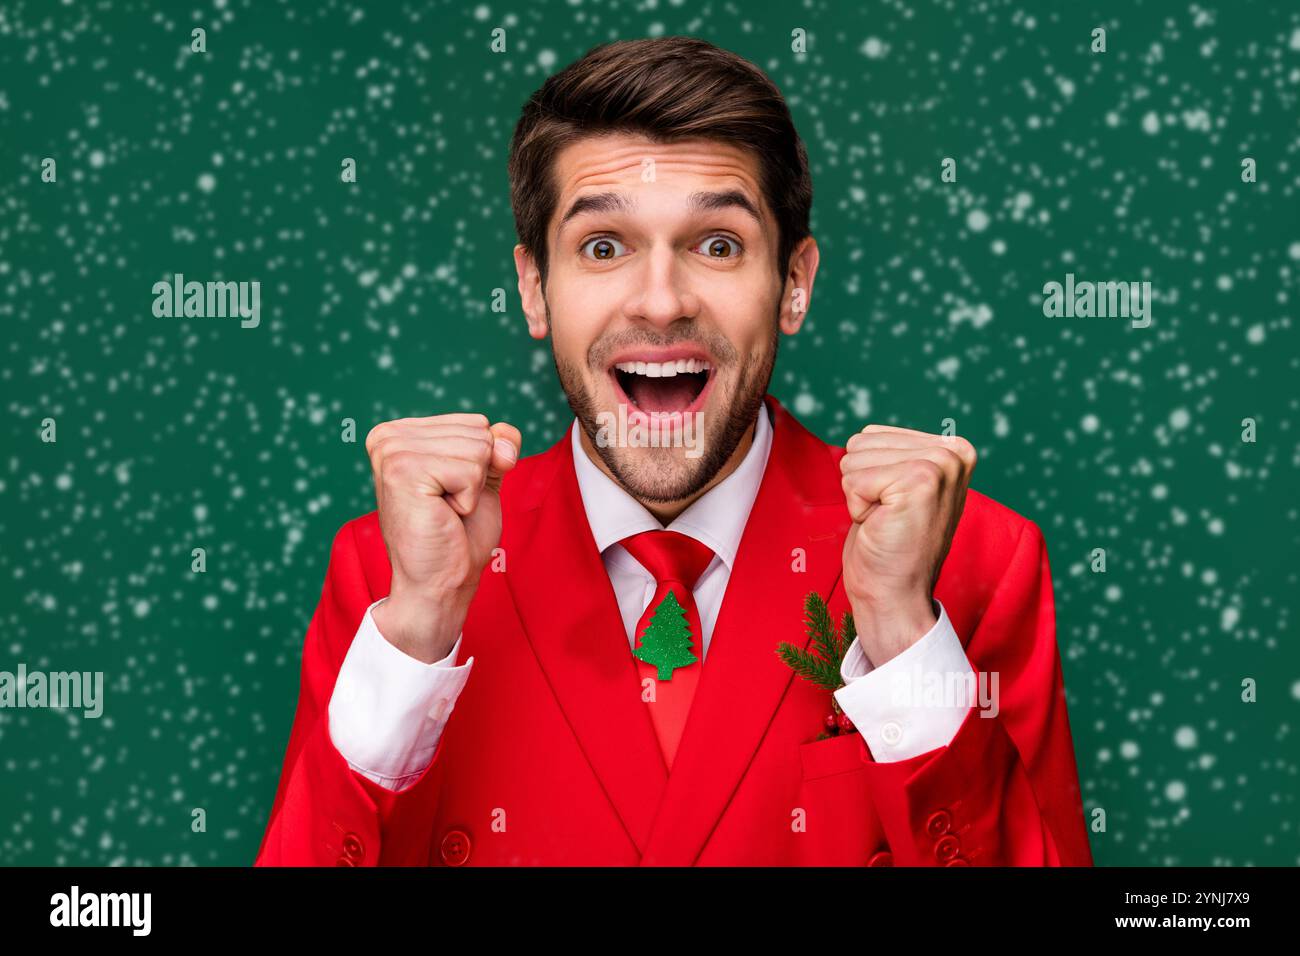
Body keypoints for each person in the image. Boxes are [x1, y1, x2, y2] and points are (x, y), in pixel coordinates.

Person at [254, 36, 1093, 867]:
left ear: (794, 285)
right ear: (534, 289)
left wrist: (906, 641)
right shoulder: (389, 574)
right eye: (604, 247)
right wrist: (416, 634)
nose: (660, 302)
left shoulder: (977, 559)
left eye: (718, 244)